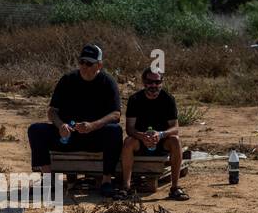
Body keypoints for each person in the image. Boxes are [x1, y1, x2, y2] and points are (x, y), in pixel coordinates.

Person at [27, 43, 123, 197]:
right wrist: (60, 125)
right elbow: (52, 111)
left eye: (89, 63)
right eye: (82, 62)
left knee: (115, 131)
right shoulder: (67, 80)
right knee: (36, 130)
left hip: (94, 136)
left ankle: (106, 181)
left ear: (99, 65)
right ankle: (48, 180)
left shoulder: (107, 82)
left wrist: (93, 125)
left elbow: (116, 114)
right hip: (68, 136)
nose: (84, 66)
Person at [118, 68, 186, 200]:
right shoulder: (135, 99)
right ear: (144, 82)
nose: (153, 85)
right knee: (127, 142)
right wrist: (142, 136)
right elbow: (130, 129)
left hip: (162, 141)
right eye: (150, 82)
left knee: (175, 140)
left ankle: (175, 187)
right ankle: (126, 187)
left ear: (161, 82)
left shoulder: (168, 99)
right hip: (140, 140)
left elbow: (175, 127)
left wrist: (160, 134)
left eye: (157, 82)